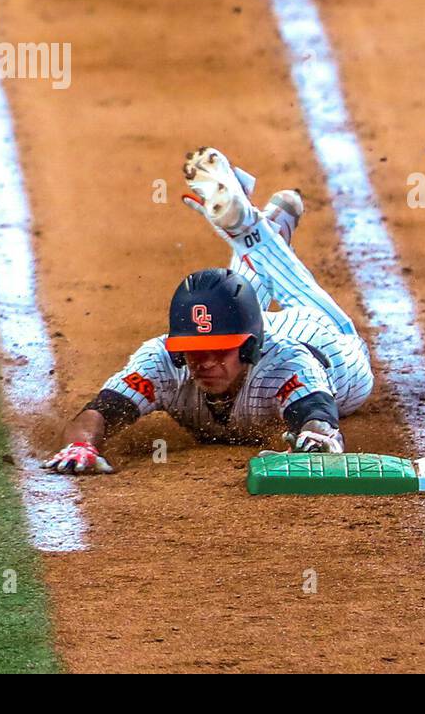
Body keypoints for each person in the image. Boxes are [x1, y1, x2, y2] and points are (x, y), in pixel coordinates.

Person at [44, 148, 374, 473]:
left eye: (217, 351)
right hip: (244, 324)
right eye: (192, 351)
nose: (203, 363)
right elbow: (97, 413)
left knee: (293, 297)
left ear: (249, 348)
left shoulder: (288, 365)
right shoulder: (162, 362)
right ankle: (255, 229)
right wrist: (81, 444)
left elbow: (317, 417)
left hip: (326, 340)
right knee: (234, 300)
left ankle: (251, 230)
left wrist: (315, 438)